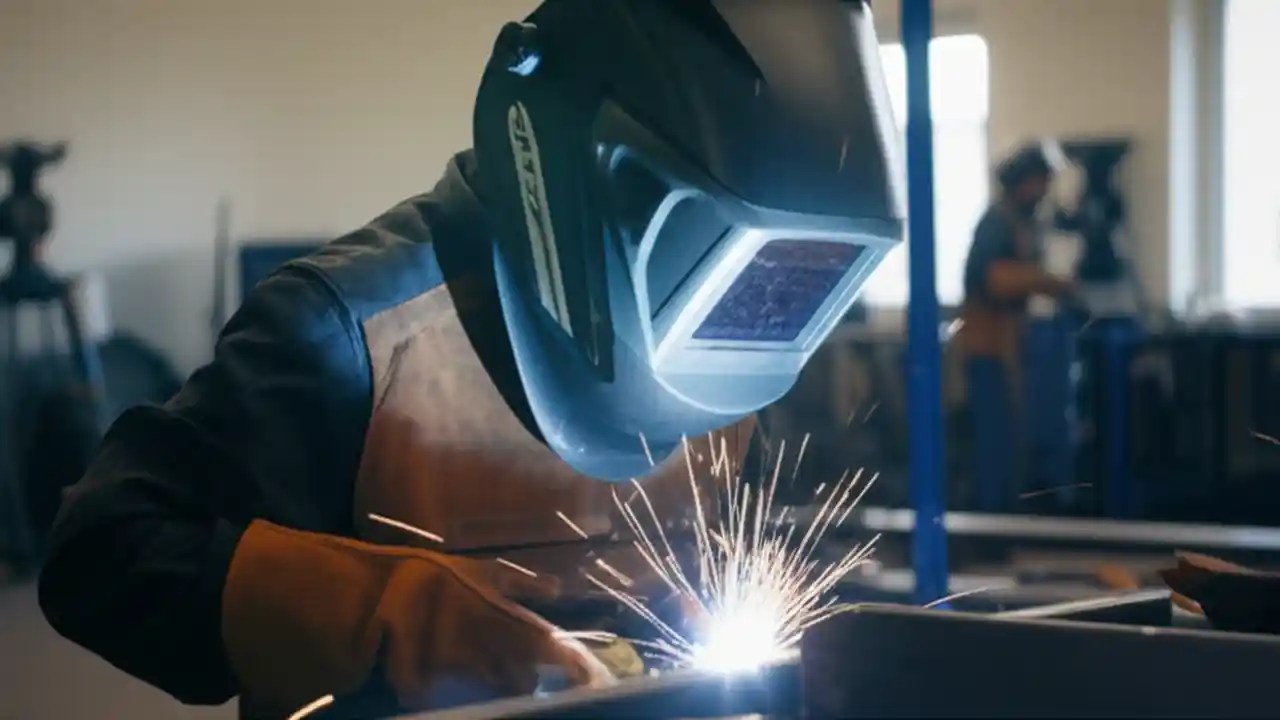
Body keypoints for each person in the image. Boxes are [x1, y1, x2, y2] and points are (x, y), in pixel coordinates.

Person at [36, 1, 903, 718]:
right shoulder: (348, 335)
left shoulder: (745, 334)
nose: (755, 311)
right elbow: (99, 554)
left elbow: (717, 559)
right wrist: (392, 616)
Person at [958, 142, 1076, 513]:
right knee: (995, 443)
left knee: (1011, 442)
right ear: (1024, 182)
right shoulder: (996, 223)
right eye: (1040, 182)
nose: (1043, 192)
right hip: (988, 350)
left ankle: (1009, 514)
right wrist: (1050, 283)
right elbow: (997, 279)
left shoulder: (1021, 223)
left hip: (1009, 346)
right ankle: (993, 522)